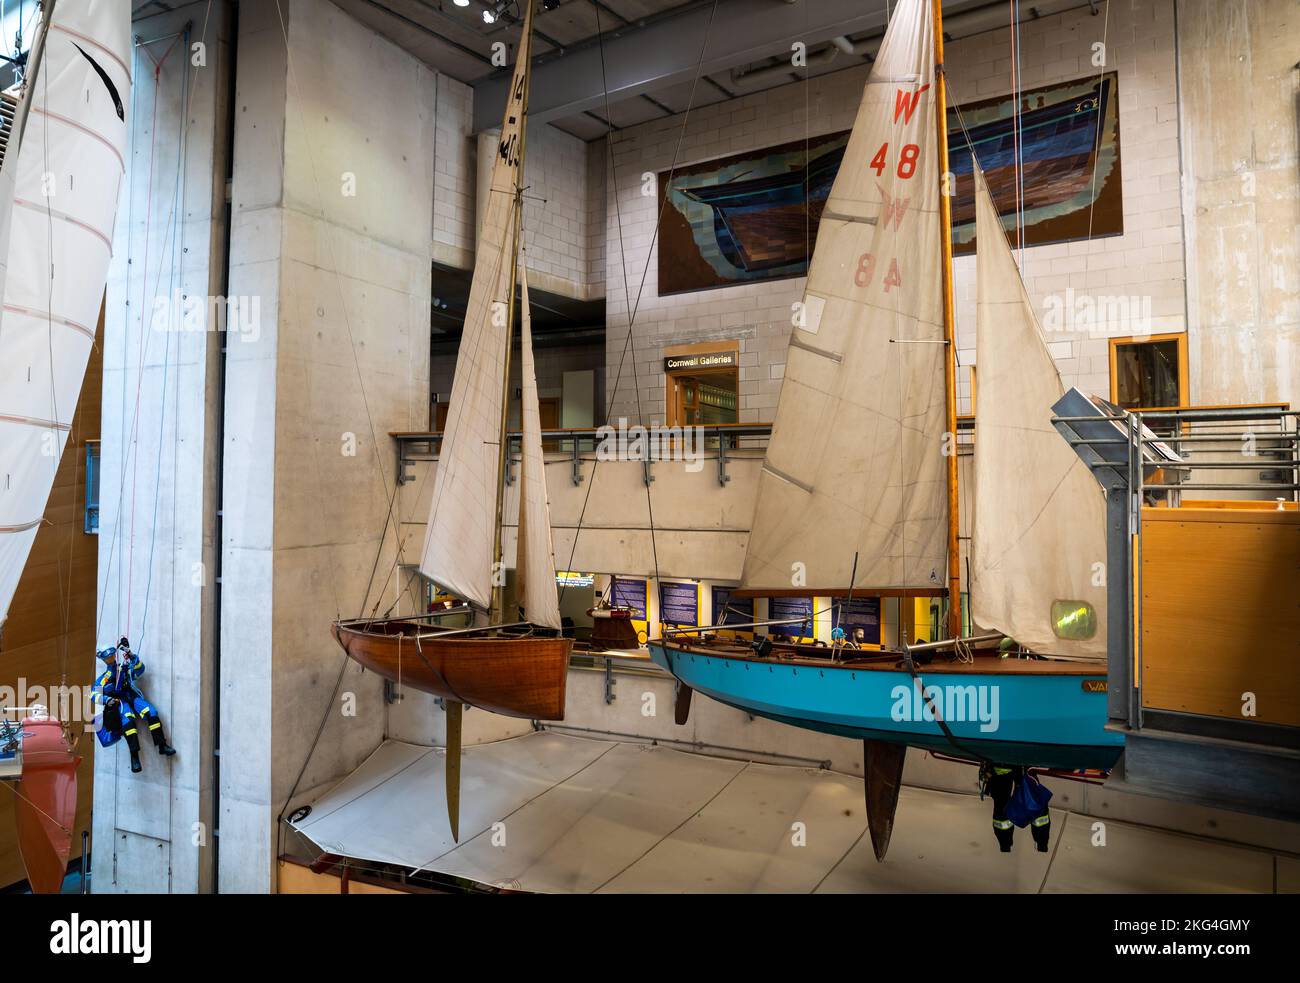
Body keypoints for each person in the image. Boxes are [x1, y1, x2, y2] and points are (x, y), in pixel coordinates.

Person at [95, 637, 175, 773]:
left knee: (152, 712)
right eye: (107, 657)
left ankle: (162, 745)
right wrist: (106, 699)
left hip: (131, 695)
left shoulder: (123, 668)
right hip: (120, 701)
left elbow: (140, 669)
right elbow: (94, 694)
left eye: (112, 655)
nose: (110, 659)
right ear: (103, 659)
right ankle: (134, 757)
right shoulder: (103, 678)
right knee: (128, 722)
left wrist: (131, 655)